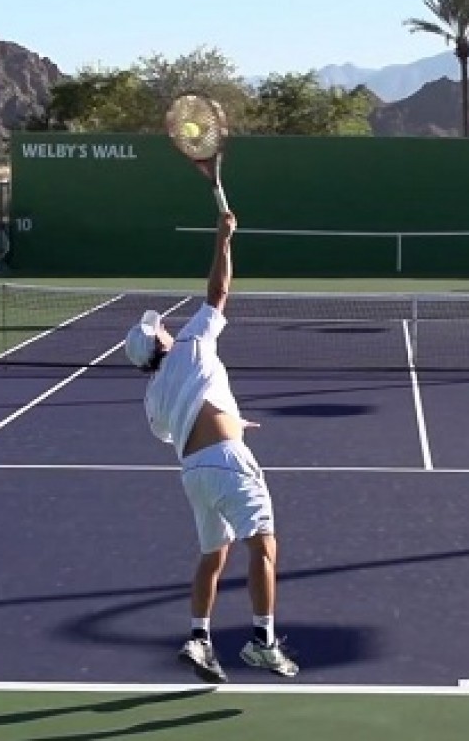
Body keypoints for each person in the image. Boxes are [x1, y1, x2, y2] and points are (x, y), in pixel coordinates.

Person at [124, 209, 298, 684]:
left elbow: (180, 426)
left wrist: (232, 421)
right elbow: (218, 293)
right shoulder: (190, 344)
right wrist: (224, 237)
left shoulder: (153, 398)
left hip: (194, 472)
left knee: (212, 555)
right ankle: (263, 643)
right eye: (157, 329)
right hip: (226, 462)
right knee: (263, 546)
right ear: (158, 343)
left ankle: (199, 639)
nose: (162, 327)